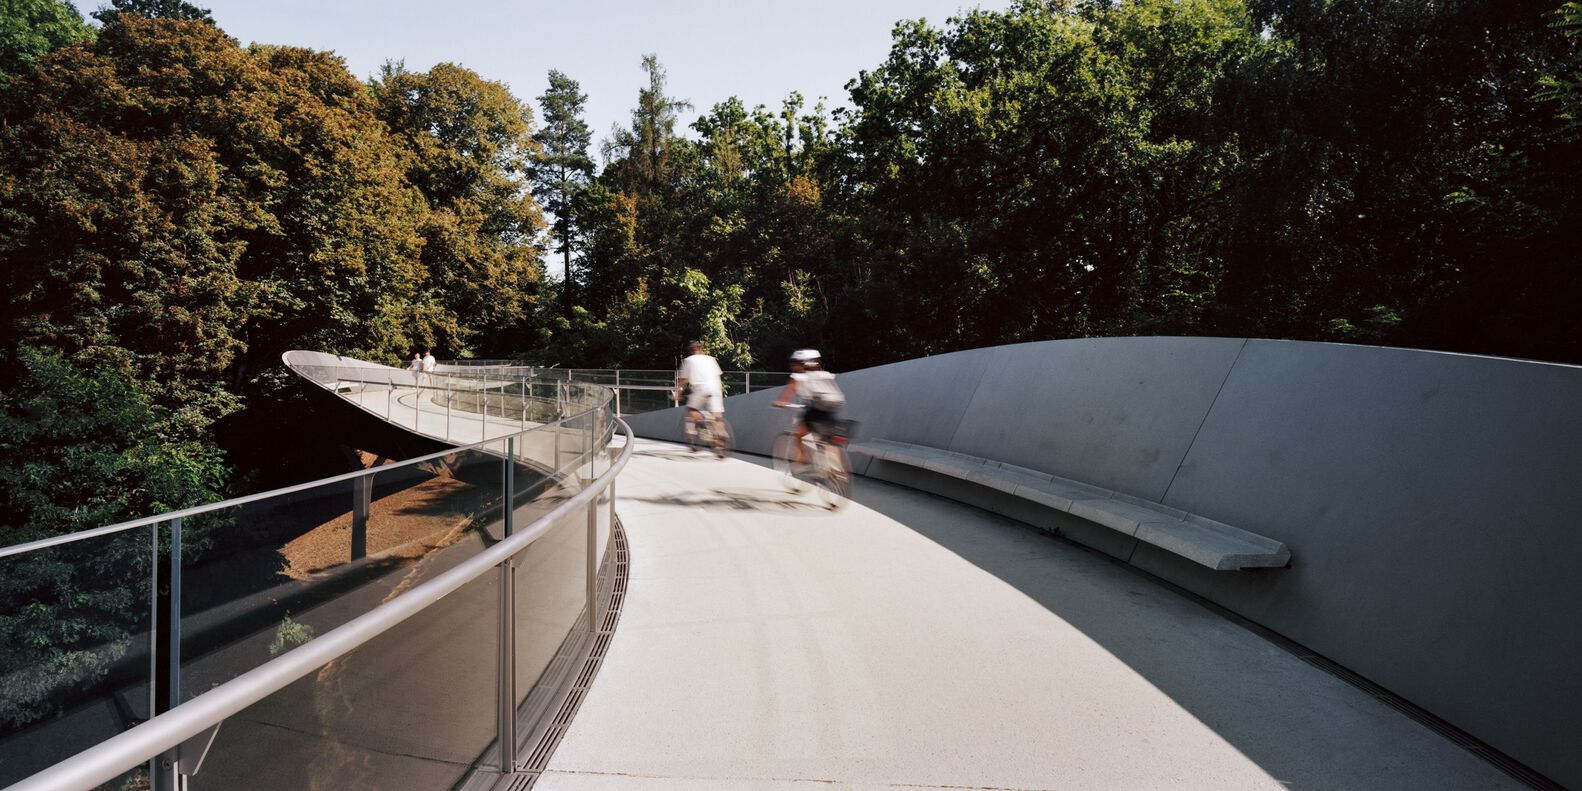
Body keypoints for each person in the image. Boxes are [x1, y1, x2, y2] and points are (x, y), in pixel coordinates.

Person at [772, 349, 845, 466]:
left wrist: (781, 402)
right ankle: (839, 472)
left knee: (800, 432)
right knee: (830, 440)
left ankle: (803, 457)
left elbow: (789, 392)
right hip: (833, 407)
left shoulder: (798, 377)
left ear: (801, 363)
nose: (793, 366)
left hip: (816, 409)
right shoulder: (825, 374)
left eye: (795, 363)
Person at [675, 341, 724, 449]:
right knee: (717, 416)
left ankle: (703, 420)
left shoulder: (688, 361)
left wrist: (678, 394)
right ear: (701, 349)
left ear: (691, 351)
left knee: (691, 410)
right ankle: (720, 440)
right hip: (715, 388)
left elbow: (681, 380)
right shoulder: (711, 359)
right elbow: (718, 375)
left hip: (700, 389)